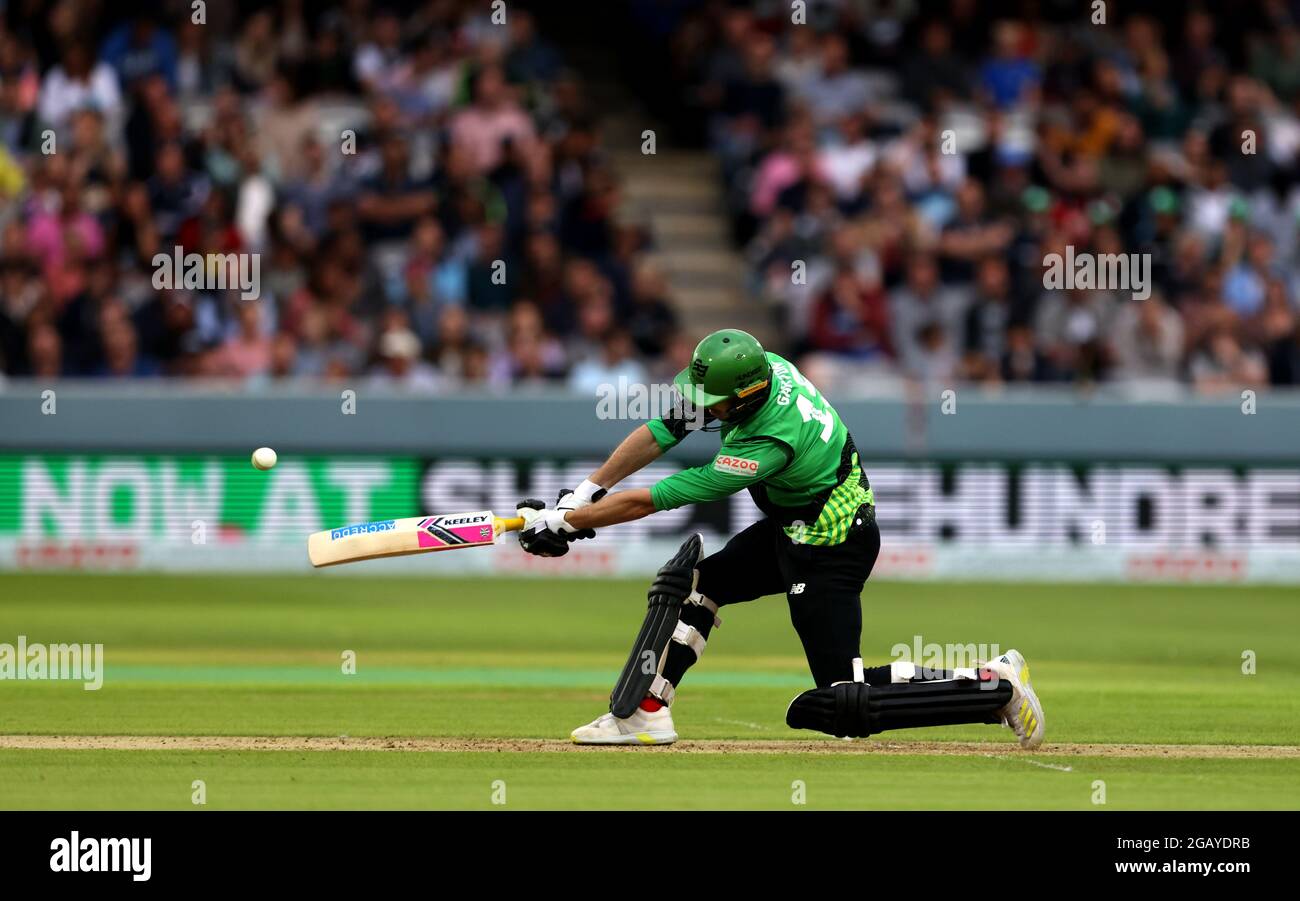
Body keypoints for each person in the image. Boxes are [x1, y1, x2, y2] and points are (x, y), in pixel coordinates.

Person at [515, 328, 1045, 748]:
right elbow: (663, 431)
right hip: (793, 529)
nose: (706, 408)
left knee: (842, 701)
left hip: (833, 545)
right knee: (698, 583)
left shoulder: (767, 441)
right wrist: (585, 493)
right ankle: (647, 714)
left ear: (745, 398)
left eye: (715, 402)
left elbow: (653, 498)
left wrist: (565, 524)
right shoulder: (760, 370)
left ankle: (992, 686)